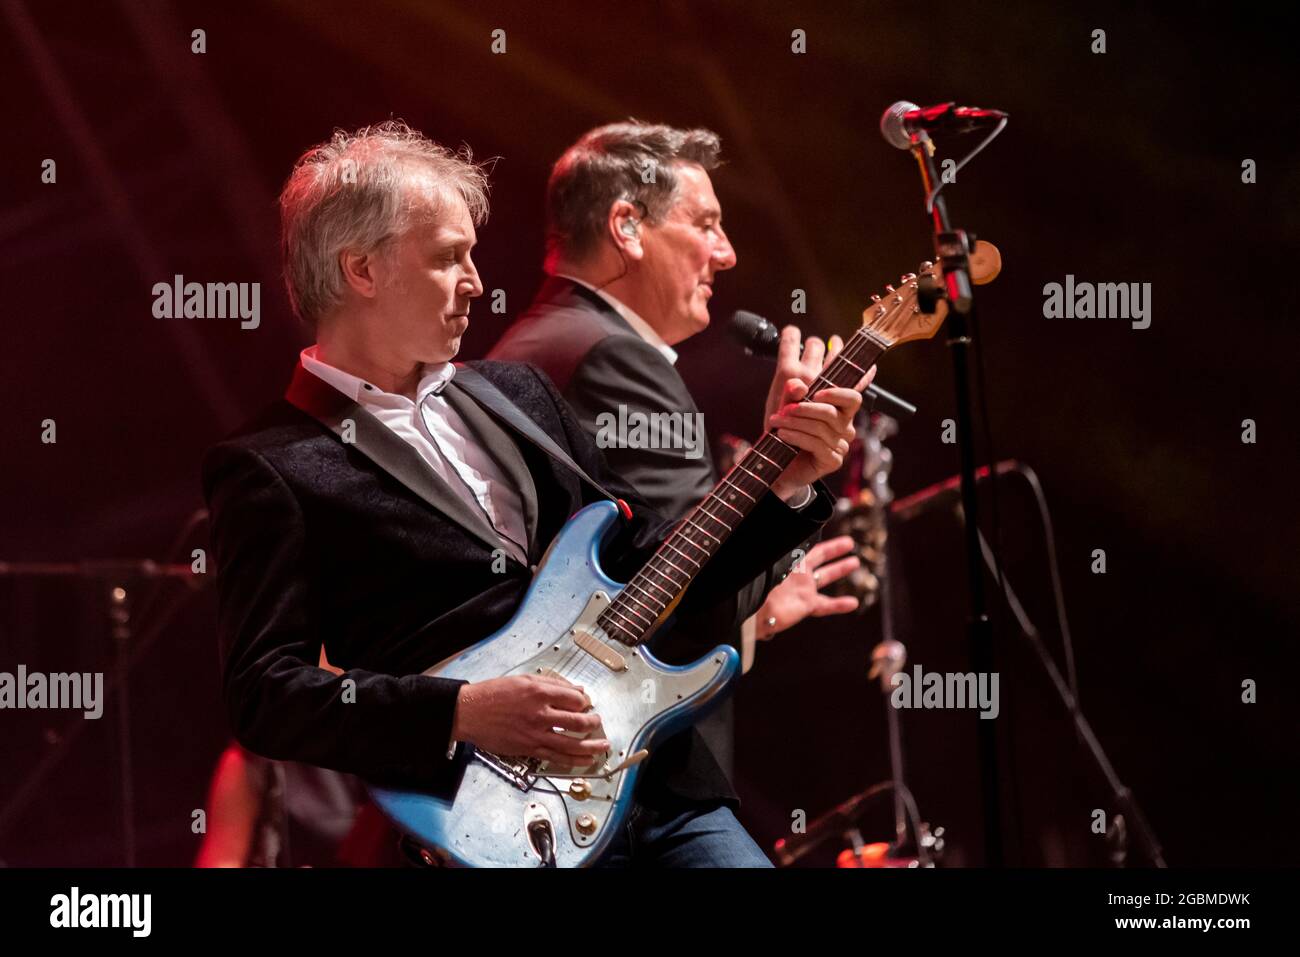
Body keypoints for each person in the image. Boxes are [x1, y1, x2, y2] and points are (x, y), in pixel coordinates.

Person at [202, 121, 865, 866]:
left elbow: (653, 559)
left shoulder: (514, 394)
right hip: (496, 821)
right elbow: (266, 692)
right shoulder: (272, 463)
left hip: (662, 789)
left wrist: (787, 485)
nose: (477, 281)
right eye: (449, 257)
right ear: (362, 269)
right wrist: (462, 711)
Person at [489, 121, 867, 774]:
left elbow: (620, 591)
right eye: (706, 224)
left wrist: (759, 617)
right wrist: (782, 476)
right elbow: (689, 589)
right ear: (627, 227)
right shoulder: (619, 360)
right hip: (620, 779)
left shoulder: (539, 341)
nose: (727, 254)